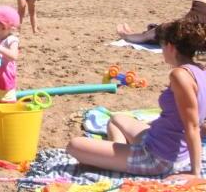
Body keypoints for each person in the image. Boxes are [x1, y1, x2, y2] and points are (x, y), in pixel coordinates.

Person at [67, 20, 206, 178]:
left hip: (159, 158)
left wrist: (195, 172)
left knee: (74, 146)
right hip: (159, 140)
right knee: (116, 119)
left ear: (170, 47)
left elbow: (192, 126)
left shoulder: (180, 75)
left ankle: (115, 157)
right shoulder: (200, 70)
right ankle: (115, 154)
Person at [118, 0, 206, 44]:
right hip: (195, 23)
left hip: (193, 26)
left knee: (159, 32)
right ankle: (135, 36)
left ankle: (132, 36)